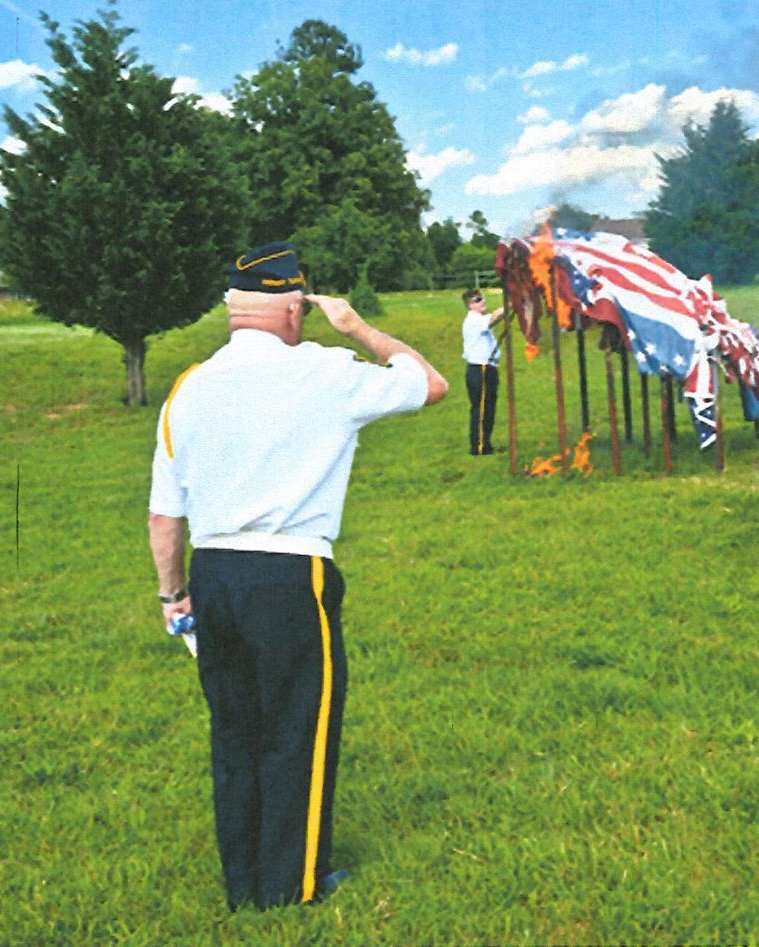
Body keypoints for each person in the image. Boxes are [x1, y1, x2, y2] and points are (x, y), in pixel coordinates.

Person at [147, 241, 448, 911]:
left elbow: (164, 515)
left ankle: (244, 883)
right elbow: (430, 382)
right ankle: (295, 883)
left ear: (232, 310)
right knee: (297, 728)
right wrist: (360, 328)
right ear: (293, 306)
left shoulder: (187, 386)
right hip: (289, 572)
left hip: (212, 569)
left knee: (234, 730)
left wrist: (174, 595)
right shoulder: (325, 370)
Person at [460, 287, 504, 455]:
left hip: (488, 368)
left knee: (489, 407)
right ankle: (478, 447)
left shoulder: (479, 318)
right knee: (482, 408)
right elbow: (494, 318)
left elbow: (496, 316)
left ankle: (486, 444)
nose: (483, 301)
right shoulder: (473, 320)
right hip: (480, 369)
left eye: (482, 298)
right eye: (478, 300)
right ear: (470, 305)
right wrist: (510, 304)